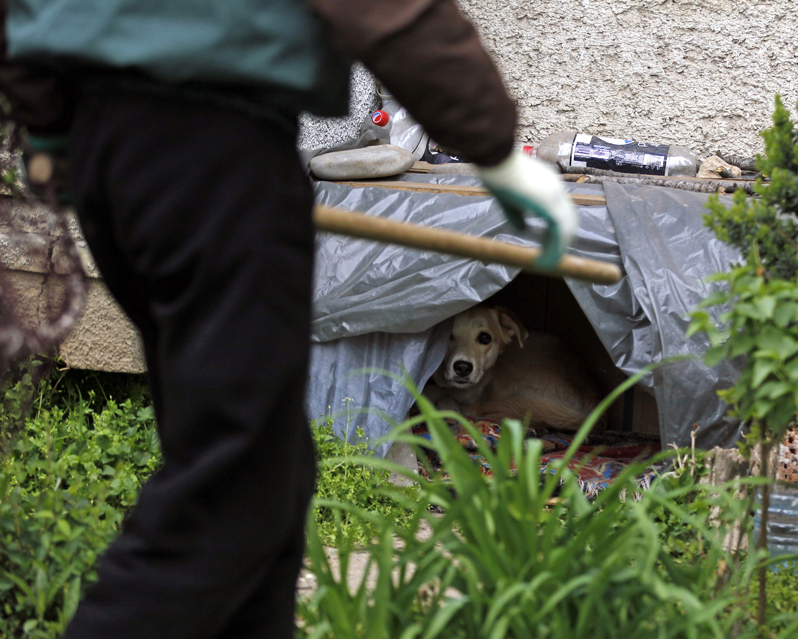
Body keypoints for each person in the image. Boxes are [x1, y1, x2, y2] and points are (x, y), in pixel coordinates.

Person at [0, 1, 578, 637]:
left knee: (270, 469)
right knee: (236, 483)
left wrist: (50, 128)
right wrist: (497, 150)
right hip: (216, 144)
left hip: (106, 155)